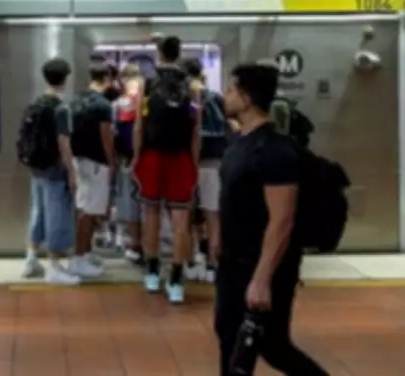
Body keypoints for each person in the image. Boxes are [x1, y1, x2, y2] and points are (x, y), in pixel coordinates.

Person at [215, 63, 327, 375]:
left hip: (264, 268)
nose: (224, 96)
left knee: (273, 346)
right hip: (233, 265)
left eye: (230, 90)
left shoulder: (275, 152)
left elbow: (282, 220)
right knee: (230, 338)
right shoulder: (239, 145)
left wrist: (262, 280)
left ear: (247, 98)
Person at [133, 35, 201, 303]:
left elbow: (139, 125)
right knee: (181, 220)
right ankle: (176, 279)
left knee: (150, 212)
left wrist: (138, 157)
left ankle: (151, 272)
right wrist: (193, 162)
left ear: (158, 53)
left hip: (152, 155)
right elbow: (196, 129)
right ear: (179, 52)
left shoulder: (145, 84)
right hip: (181, 157)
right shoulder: (193, 88)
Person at [21, 57, 84, 285]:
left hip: (37, 168)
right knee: (57, 215)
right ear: (65, 79)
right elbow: (64, 143)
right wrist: (72, 172)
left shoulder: (36, 103)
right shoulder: (61, 108)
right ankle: (54, 267)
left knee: (37, 212)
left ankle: (31, 259)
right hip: (55, 170)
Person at [184, 57, 229, 284]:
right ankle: (213, 264)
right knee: (213, 216)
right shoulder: (217, 98)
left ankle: (191, 261)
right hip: (215, 161)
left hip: (189, 163)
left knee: (187, 215)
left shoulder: (186, 99)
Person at [70, 63, 116, 277]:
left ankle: (85, 253)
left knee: (84, 208)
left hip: (79, 160)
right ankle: (78, 258)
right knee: (88, 213)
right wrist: (112, 161)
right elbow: (106, 137)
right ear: (107, 78)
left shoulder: (77, 99)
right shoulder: (103, 104)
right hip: (97, 162)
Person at [114, 63, 145, 265]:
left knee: (131, 203)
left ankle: (136, 244)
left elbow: (115, 133)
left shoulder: (121, 104)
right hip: (150, 158)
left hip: (129, 159)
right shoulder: (147, 102)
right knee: (149, 205)